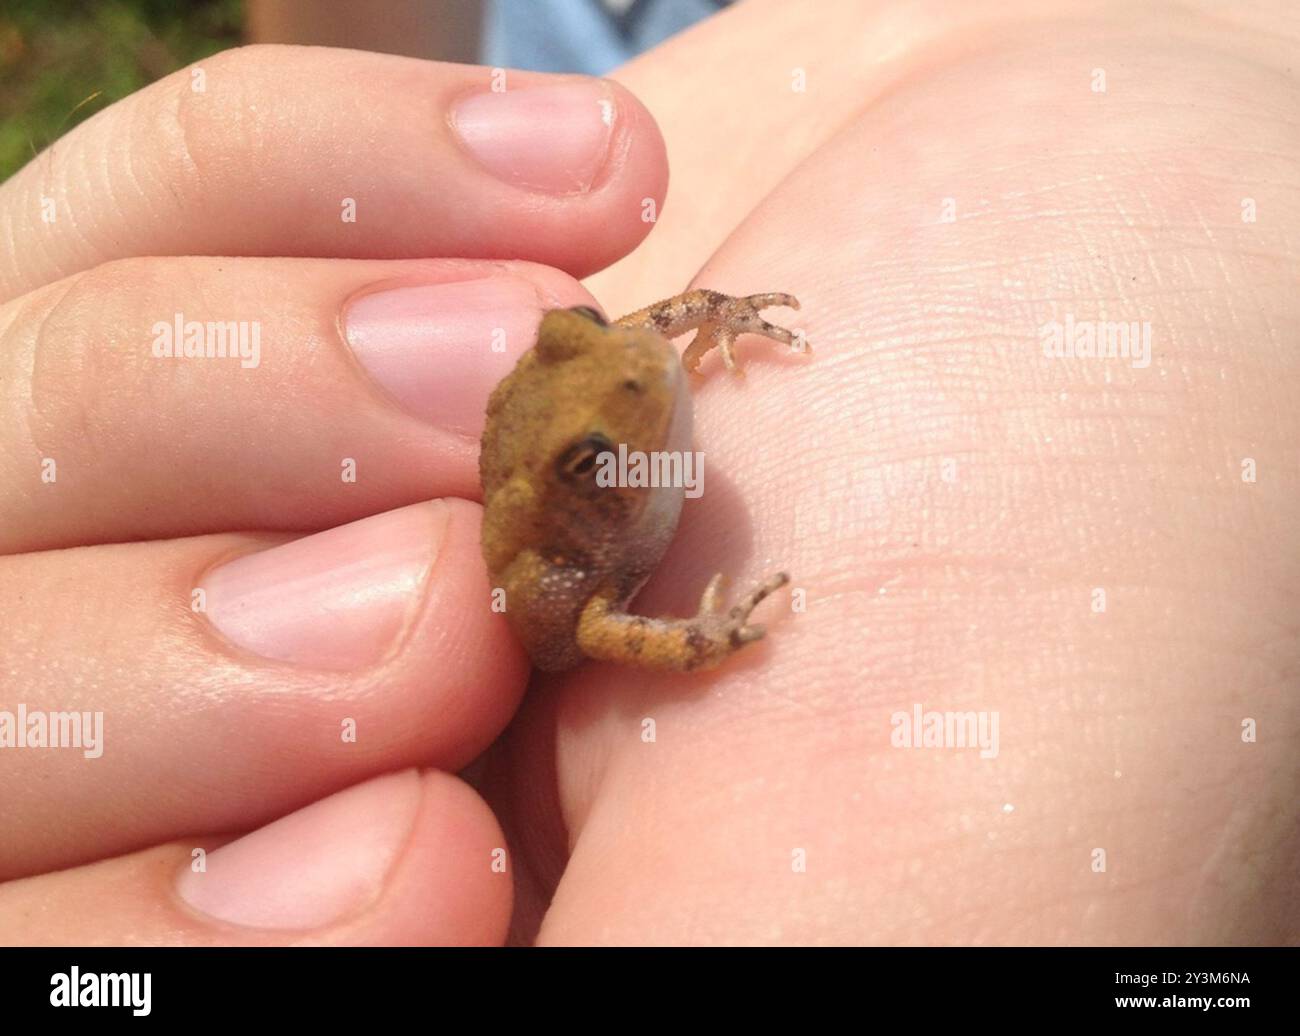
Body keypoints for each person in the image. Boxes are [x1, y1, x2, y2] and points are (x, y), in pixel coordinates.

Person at [0, 0, 1295, 945]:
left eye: (582, 335)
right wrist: (717, 638)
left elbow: (632, 339)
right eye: (599, 436)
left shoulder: (607, 358)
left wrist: (716, 308)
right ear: (580, 482)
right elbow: (612, 631)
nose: (629, 364)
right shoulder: (569, 558)